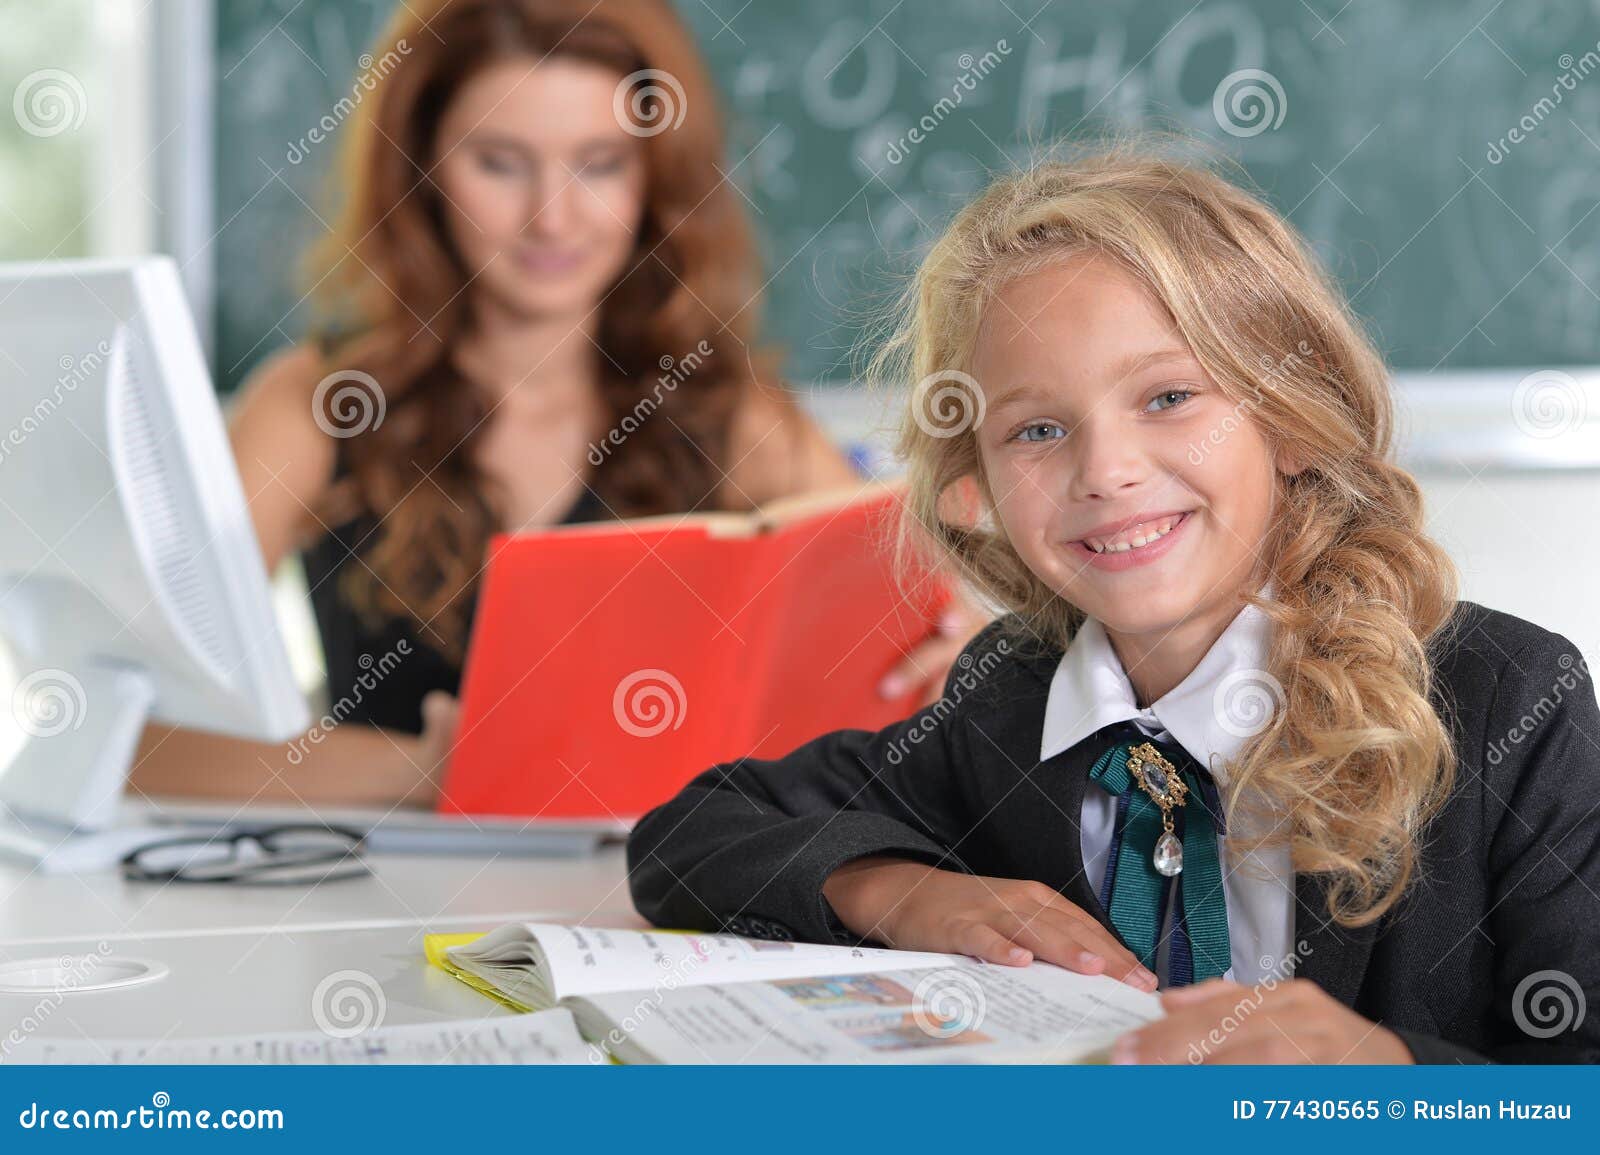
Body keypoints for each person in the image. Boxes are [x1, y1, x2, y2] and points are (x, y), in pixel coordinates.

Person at [626, 144, 1600, 1063]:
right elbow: (694, 832)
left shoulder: (1506, 701)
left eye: (1168, 397)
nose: (1105, 472)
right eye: (1038, 428)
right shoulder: (1008, 700)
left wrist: (1384, 1072)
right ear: (979, 495)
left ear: (1293, 422)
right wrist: (897, 891)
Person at [131, 0, 982, 807]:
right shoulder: (318, 407)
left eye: (600, 163)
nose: (553, 217)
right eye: (499, 162)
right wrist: (431, 768)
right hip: (373, 912)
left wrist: (955, 654)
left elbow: (907, 657)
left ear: (653, 175)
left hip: (651, 915)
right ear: (421, 169)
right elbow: (136, 746)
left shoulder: (731, 415)